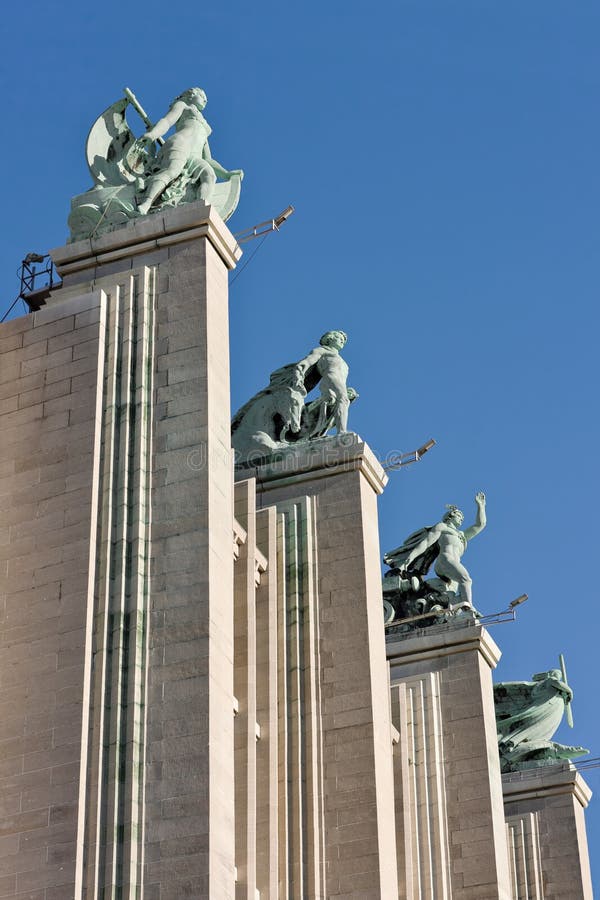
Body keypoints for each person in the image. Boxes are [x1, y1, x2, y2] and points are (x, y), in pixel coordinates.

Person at [135, 87, 243, 215]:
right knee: (172, 171)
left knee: (210, 176)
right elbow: (167, 121)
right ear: (190, 95)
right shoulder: (183, 106)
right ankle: (146, 203)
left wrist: (226, 174)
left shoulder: (204, 125)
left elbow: (208, 159)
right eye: (202, 96)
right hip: (180, 143)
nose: (205, 100)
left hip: (195, 156)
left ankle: (200, 208)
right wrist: (153, 134)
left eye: (206, 99)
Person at [383, 492, 486, 607]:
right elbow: (426, 543)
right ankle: (469, 609)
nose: (461, 519)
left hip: (453, 564)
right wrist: (408, 560)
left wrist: (481, 506)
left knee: (450, 594)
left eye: (462, 517)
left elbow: (480, 525)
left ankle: (426, 593)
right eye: (459, 515)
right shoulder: (442, 527)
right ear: (450, 516)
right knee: (466, 580)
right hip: (445, 560)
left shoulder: (461, 535)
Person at [292, 331, 351, 434]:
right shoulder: (322, 351)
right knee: (343, 399)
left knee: (336, 403)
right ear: (330, 338)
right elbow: (308, 361)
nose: (342, 340)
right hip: (330, 378)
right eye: (339, 337)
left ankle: (308, 416)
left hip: (339, 383)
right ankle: (342, 433)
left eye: (344, 340)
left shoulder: (342, 361)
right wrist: (299, 370)